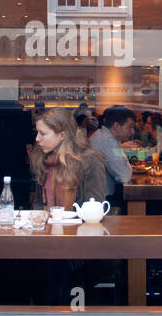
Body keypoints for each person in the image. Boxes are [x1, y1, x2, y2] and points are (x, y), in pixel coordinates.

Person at [28, 107, 111, 304]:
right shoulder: (41, 158)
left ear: (62, 135)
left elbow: (95, 207)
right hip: (46, 244)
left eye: (43, 133)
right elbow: (39, 206)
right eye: (37, 133)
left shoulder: (90, 160)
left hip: (79, 247)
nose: (37, 139)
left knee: (61, 272)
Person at [88, 105, 135, 204]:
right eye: (130, 127)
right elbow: (125, 175)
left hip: (102, 196)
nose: (132, 131)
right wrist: (127, 165)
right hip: (100, 201)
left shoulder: (108, 137)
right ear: (116, 126)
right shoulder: (107, 140)